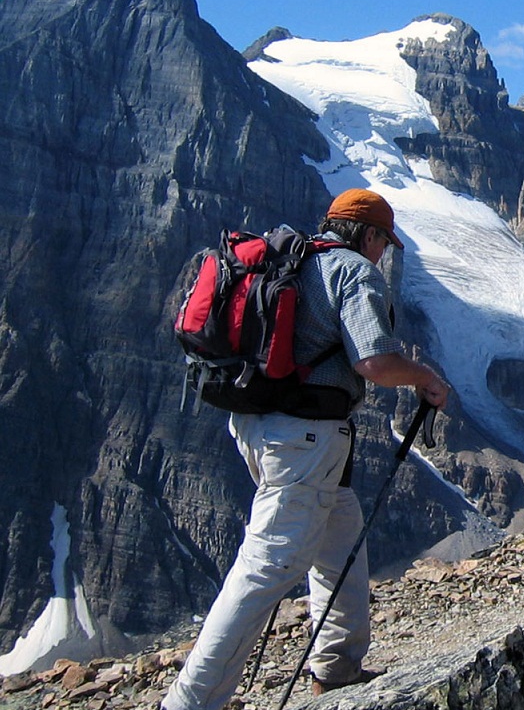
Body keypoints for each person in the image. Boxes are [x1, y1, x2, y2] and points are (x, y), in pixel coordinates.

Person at [163, 189, 451, 710]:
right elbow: (374, 363)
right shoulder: (354, 273)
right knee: (268, 565)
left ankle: (337, 670)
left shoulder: (297, 262)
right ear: (368, 234)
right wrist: (425, 378)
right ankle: (190, 702)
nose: (383, 253)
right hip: (305, 439)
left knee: (340, 532)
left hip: (257, 424)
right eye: (383, 242)